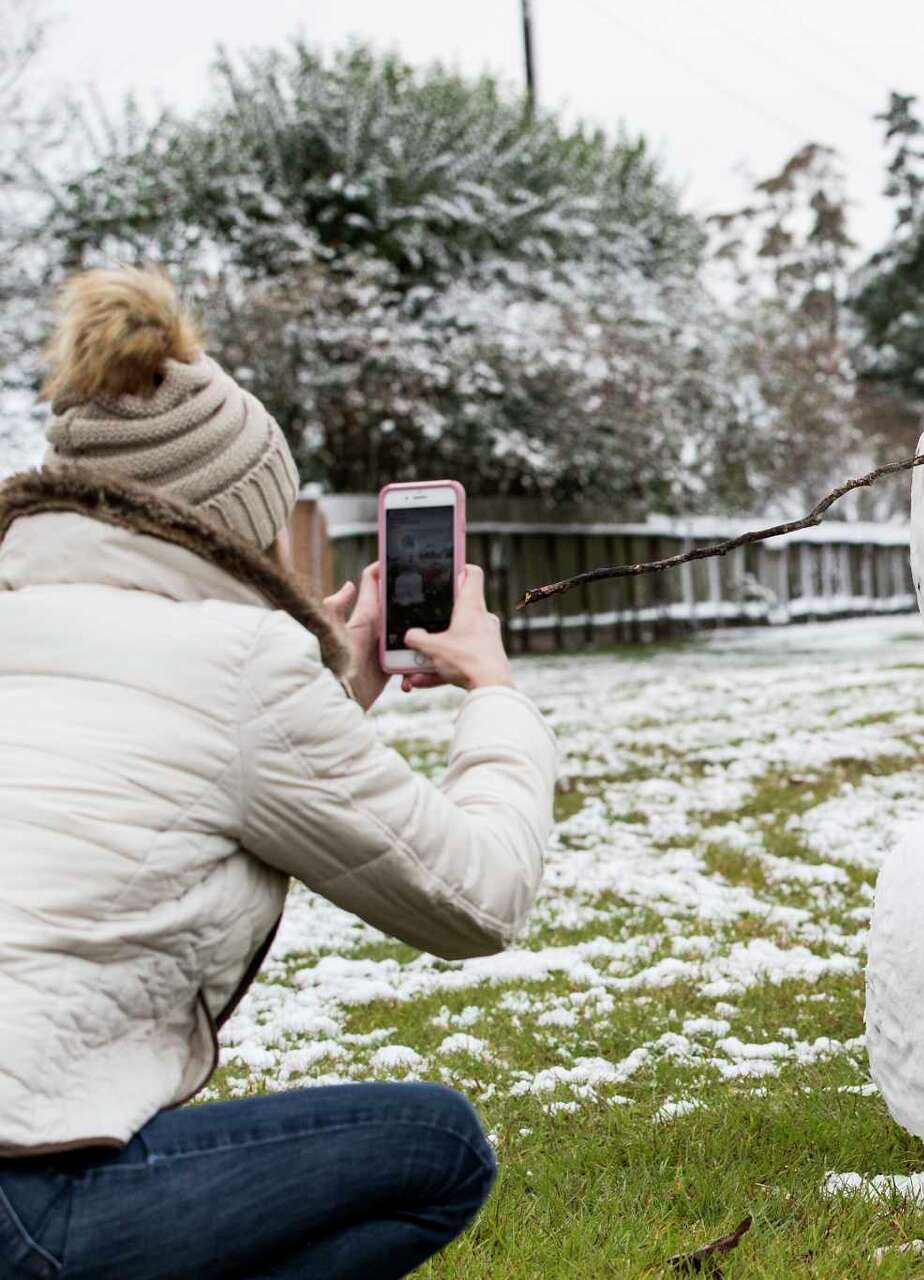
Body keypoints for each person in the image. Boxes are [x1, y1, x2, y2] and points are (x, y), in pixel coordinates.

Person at [0, 267, 557, 1279]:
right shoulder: (239, 667)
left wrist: (326, 689)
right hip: (22, 1210)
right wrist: (495, 687)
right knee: (436, 1150)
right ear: (236, 526)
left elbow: (162, 767)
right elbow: (479, 897)